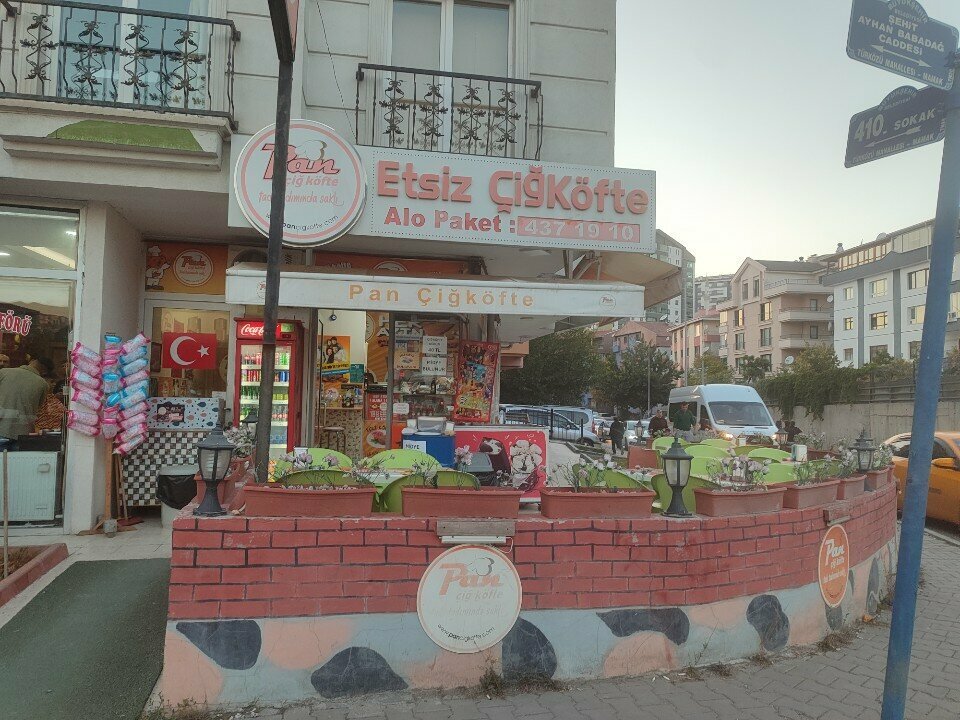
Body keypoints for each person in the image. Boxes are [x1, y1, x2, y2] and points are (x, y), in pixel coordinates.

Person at [0, 356, 52, 449]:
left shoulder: (4, 372)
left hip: (2, 428)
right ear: (44, 371)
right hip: (24, 432)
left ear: (32, 361)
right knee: (20, 462)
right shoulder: (42, 384)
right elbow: (39, 408)